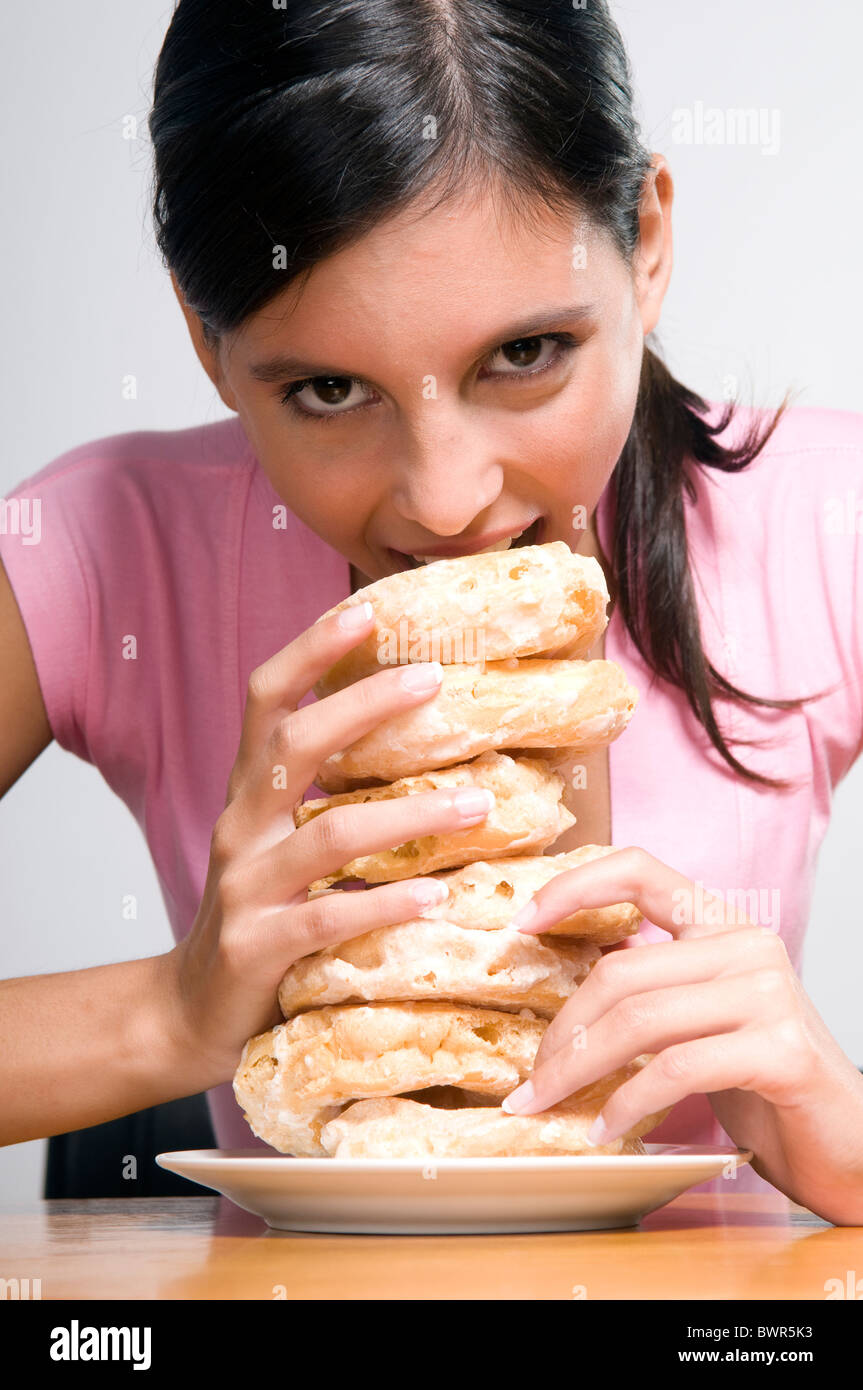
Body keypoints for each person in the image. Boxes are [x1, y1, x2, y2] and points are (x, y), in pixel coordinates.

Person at [1, 0, 862, 1223]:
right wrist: (170, 1012)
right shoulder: (102, 548)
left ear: (649, 243)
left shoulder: (827, 524)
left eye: (524, 355)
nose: (447, 498)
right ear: (205, 341)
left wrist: (843, 1126)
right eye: (329, 388)